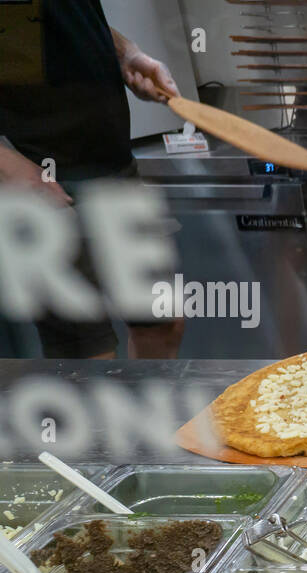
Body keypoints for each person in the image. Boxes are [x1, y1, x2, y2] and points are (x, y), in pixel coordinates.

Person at [0, 0, 183, 358]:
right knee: (87, 356)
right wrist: (6, 165)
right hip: (37, 180)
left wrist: (125, 54)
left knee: (162, 323)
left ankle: (150, 416)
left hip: (111, 163)